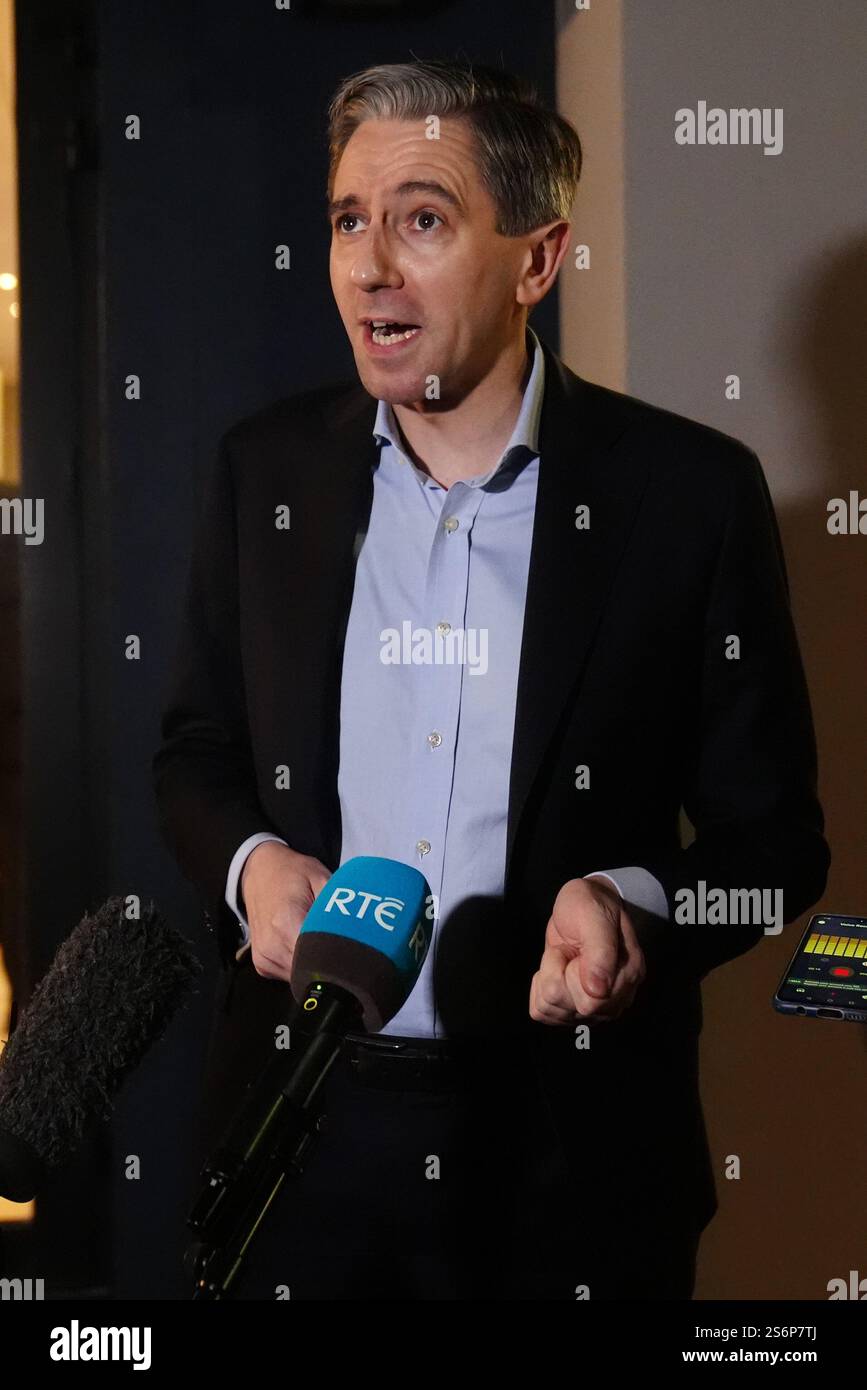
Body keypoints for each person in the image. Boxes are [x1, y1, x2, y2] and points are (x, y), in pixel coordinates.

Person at [153, 59, 829, 1300]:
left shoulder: (688, 498)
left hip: (569, 1160)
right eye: (348, 219)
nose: (367, 266)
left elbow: (779, 842)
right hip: (299, 1138)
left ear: (536, 258)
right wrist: (255, 869)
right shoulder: (266, 476)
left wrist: (634, 910)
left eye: (421, 218)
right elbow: (195, 749)